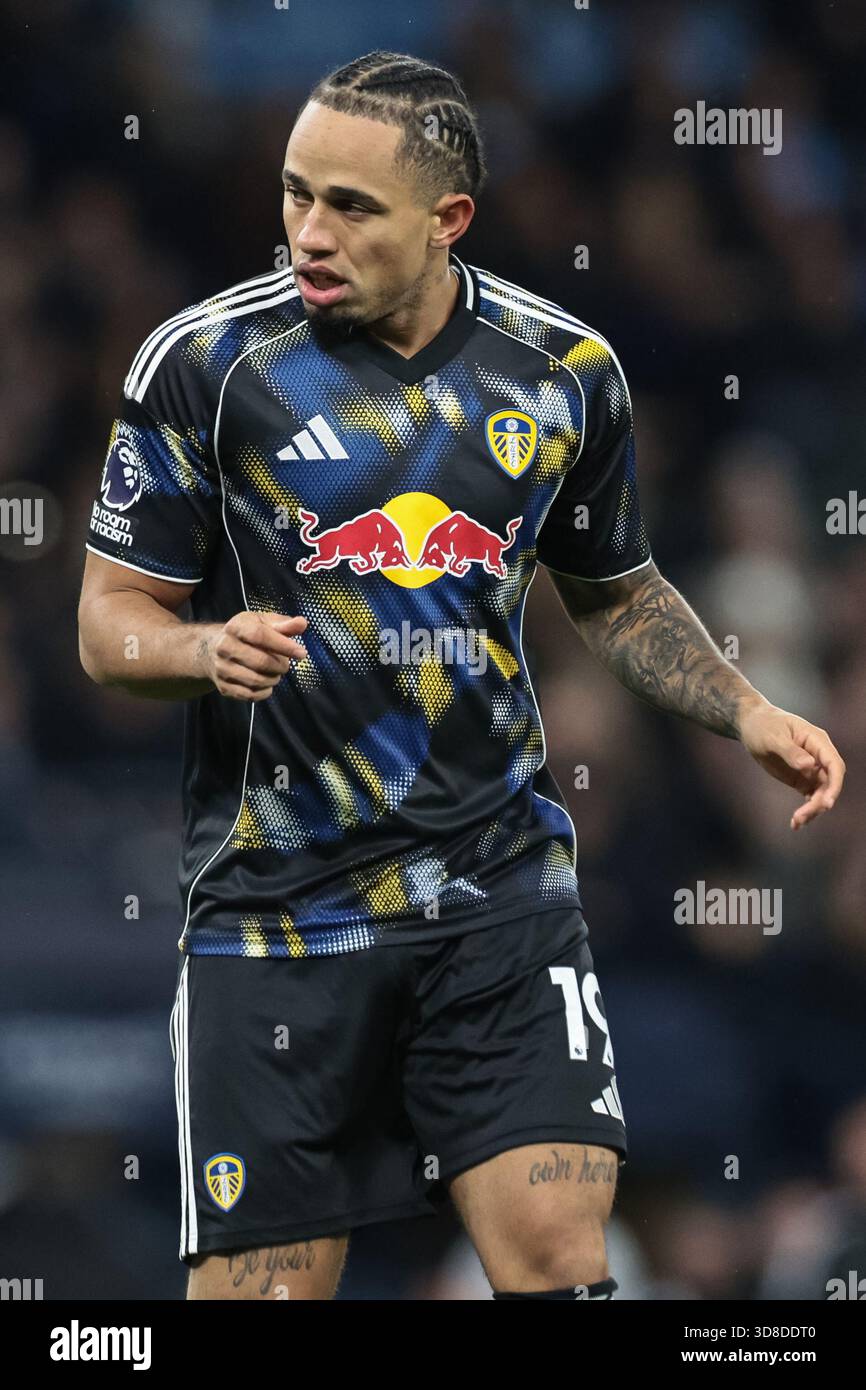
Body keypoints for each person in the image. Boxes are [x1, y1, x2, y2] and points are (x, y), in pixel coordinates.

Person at [77, 50, 845, 1301]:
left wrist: (741, 709)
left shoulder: (562, 374)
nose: (306, 234)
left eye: (350, 206)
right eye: (293, 194)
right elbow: (109, 623)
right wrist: (199, 651)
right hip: (278, 910)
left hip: (493, 890)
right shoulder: (204, 365)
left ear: (449, 223)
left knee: (557, 1262)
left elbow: (615, 586)